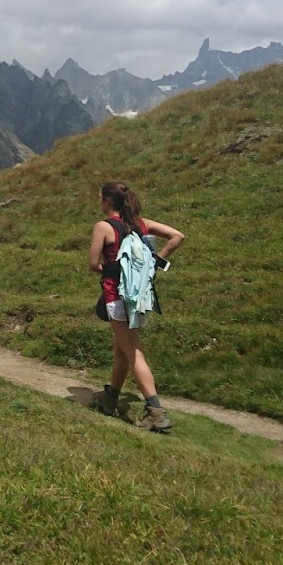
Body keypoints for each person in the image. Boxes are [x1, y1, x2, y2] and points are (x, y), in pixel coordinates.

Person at [89, 181, 184, 432]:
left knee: (133, 351)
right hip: (141, 296)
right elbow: (177, 236)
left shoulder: (103, 227)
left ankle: (155, 412)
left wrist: (112, 270)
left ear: (108, 201)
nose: (99, 202)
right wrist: (155, 263)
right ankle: (110, 397)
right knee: (121, 348)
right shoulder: (141, 224)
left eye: (101, 198)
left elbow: (93, 263)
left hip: (117, 296)